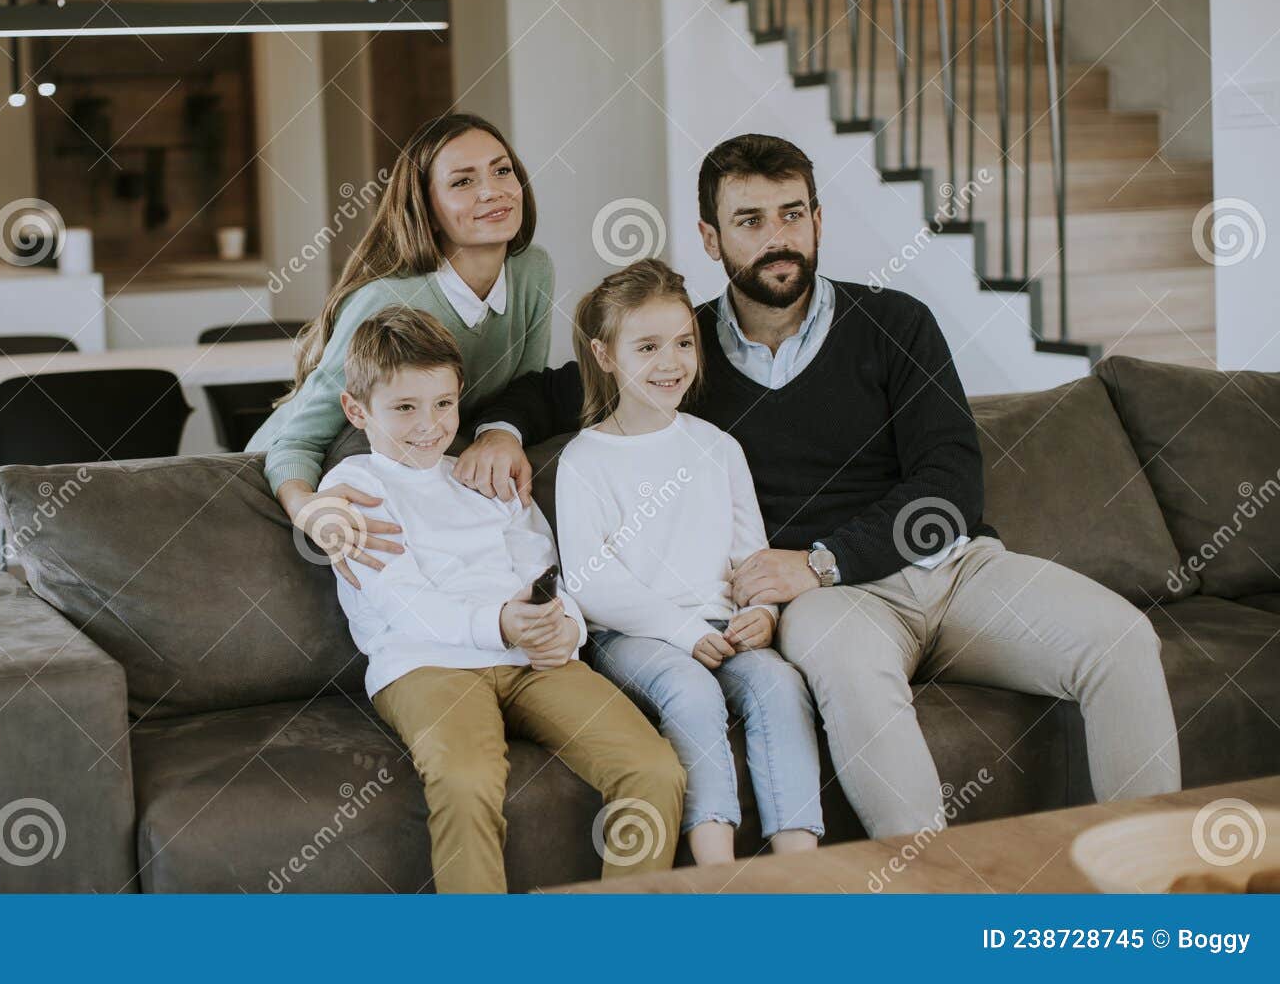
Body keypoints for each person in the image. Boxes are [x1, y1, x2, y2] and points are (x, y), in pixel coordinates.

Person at [454, 133, 1182, 841]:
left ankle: (1161, 901)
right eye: (750, 220)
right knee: (858, 687)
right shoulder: (684, 352)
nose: (779, 237)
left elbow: (951, 483)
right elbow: (556, 389)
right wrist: (500, 432)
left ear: (818, 221)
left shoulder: (896, 324)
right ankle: (935, 918)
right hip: (828, 606)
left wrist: (822, 556)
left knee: (1120, 639)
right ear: (711, 238)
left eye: (793, 214)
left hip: (949, 573)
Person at [317, 305, 684, 892]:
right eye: (404, 408)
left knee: (655, 768)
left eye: (443, 404)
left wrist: (566, 624)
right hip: (426, 665)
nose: (428, 426)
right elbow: (400, 600)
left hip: (528, 657)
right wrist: (499, 623)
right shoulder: (353, 488)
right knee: (465, 781)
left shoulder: (478, 473)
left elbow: (541, 564)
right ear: (357, 410)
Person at [555, 259, 824, 863]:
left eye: (682, 343)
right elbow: (591, 582)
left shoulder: (718, 448)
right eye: (647, 347)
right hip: (633, 635)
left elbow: (749, 554)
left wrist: (762, 611)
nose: (670, 362)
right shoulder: (585, 460)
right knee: (691, 692)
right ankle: (715, 874)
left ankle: (802, 871)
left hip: (719, 624)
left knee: (781, 684)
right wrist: (680, 631)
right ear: (604, 355)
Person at [248, 112, 554, 588]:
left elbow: (527, 389)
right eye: (463, 181)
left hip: (430, 451)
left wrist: (503, 433)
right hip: (305, 463)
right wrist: (306, 505)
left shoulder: (533, 270)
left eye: (502, 170)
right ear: (427, 208)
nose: (492, 191)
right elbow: (299, 438)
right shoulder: (384, 301)